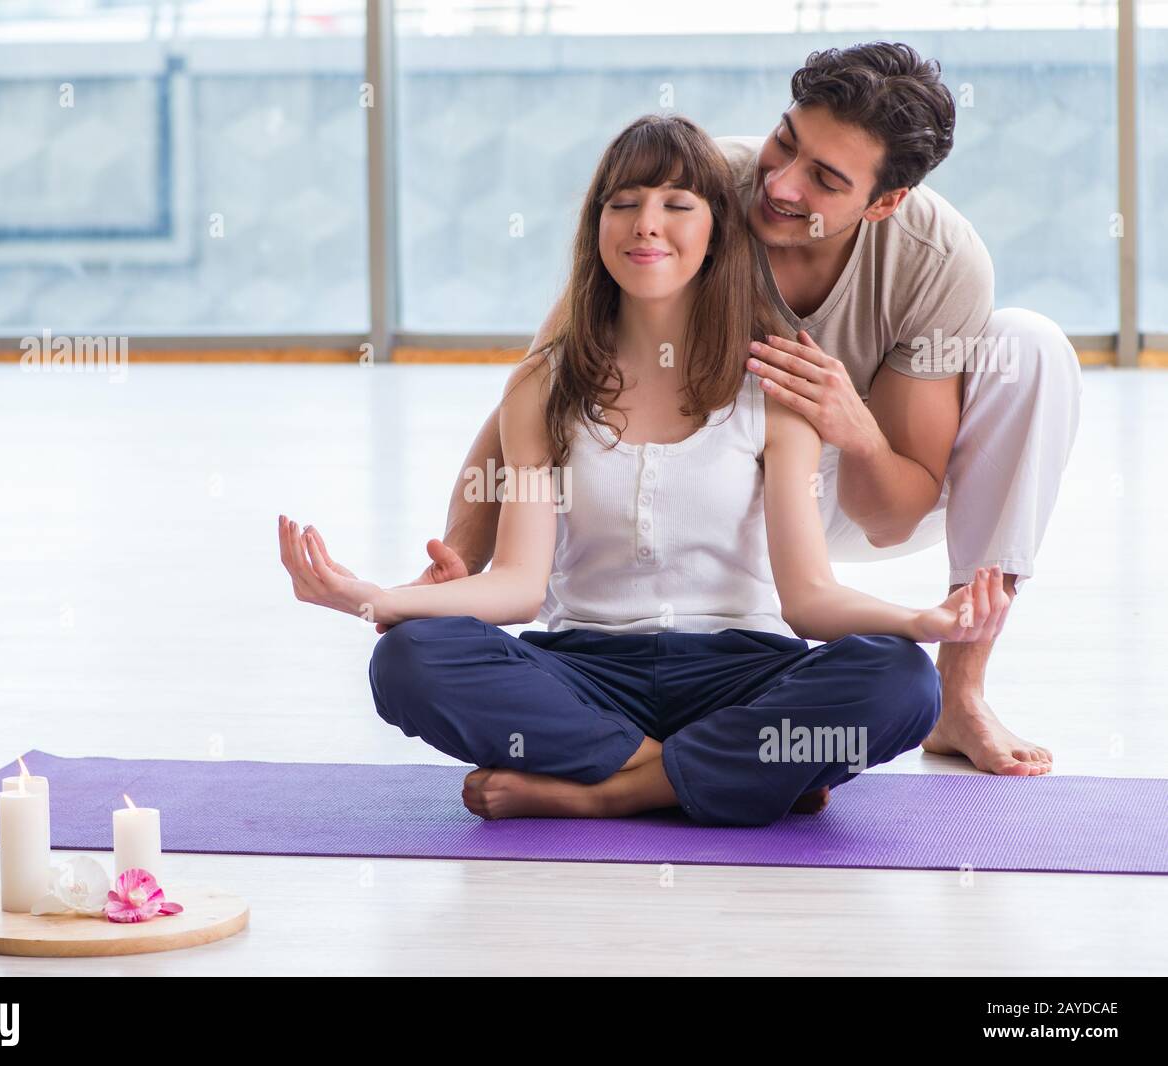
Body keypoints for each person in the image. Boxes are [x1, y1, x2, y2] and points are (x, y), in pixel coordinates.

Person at [277, 113, 1010, 828]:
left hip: (740, 668)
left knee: (902, 681)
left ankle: (606, 792)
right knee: (408, 661)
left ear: (719, 229)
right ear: (597, 228)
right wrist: (372, 599)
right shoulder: (543, 386)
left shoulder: (772, 391)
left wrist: (921, 621)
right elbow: (518, 586)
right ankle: (720, 774)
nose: (645, 224)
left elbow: (809, 599)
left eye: (675, 204)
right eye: (621, 204)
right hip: (586, 670)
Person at [395, 42, 1081, 779]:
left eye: (822, 178)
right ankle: (691, 772)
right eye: (786, 141)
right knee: (412, 655)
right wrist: (461, 566)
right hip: (665, 488)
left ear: (883, 203)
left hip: (842, 484)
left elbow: (890, 519)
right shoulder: (695, 187)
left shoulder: (936, 259)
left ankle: (958, 695)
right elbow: (545, 387)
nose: (779, 183)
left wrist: (855, 432)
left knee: (1030, 346)